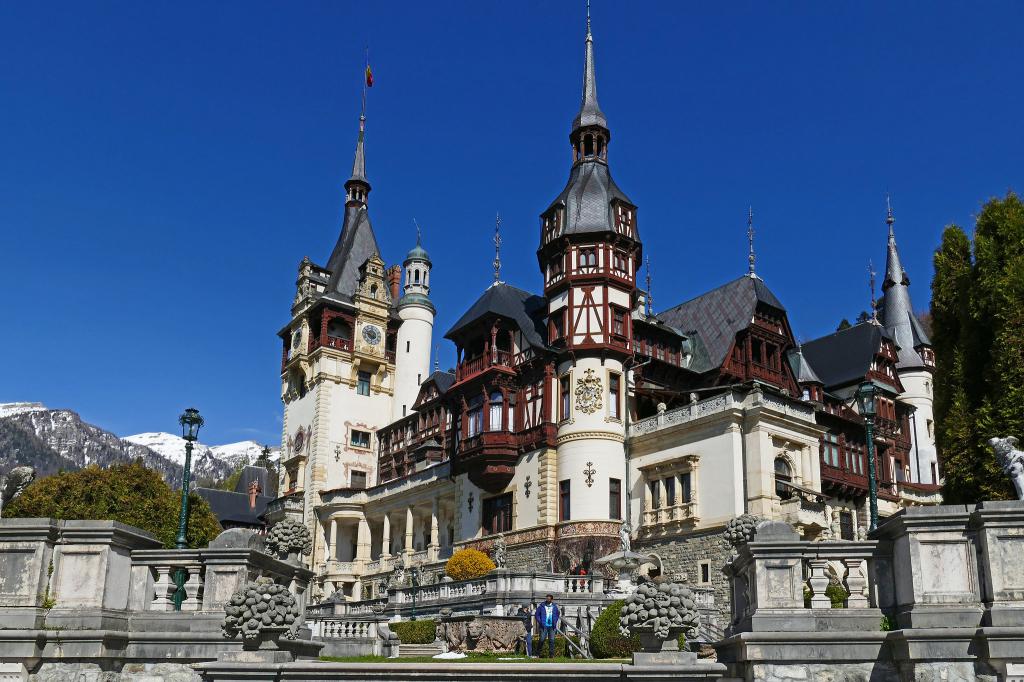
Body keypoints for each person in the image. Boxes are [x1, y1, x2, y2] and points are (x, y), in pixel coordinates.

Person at [535, 594, 560, 658]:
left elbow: (557, 614)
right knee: (542, 639)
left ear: (551, 599)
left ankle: (551, 655)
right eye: (547, 599)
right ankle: (538, 653)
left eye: (549, 599)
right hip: (544, 626)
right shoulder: (542, 606)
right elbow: (537, 614)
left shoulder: (554, 606)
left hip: (552, 626)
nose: (548, 600)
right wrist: (540, 622)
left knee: (552, 640)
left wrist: (555, 620)